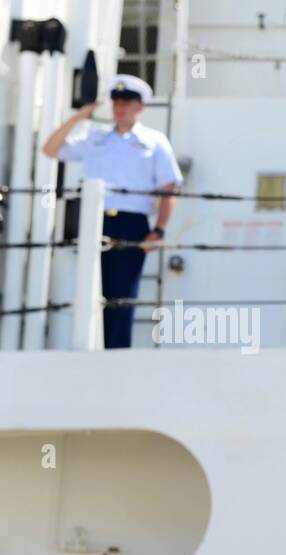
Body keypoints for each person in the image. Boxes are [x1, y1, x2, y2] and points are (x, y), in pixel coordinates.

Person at [42, 73, 181, 349]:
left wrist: (159, 230)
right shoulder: (95, 137)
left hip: (131, 224)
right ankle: (86, 350)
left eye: (127, 101)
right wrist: (79, 116)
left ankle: (116, 357)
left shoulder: (154, 141)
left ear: (139, 107)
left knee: (121, 297)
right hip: (93, 221)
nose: (120, 106)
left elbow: (168, 188)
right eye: (116, 101)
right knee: (86, 291)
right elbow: (51, 149)